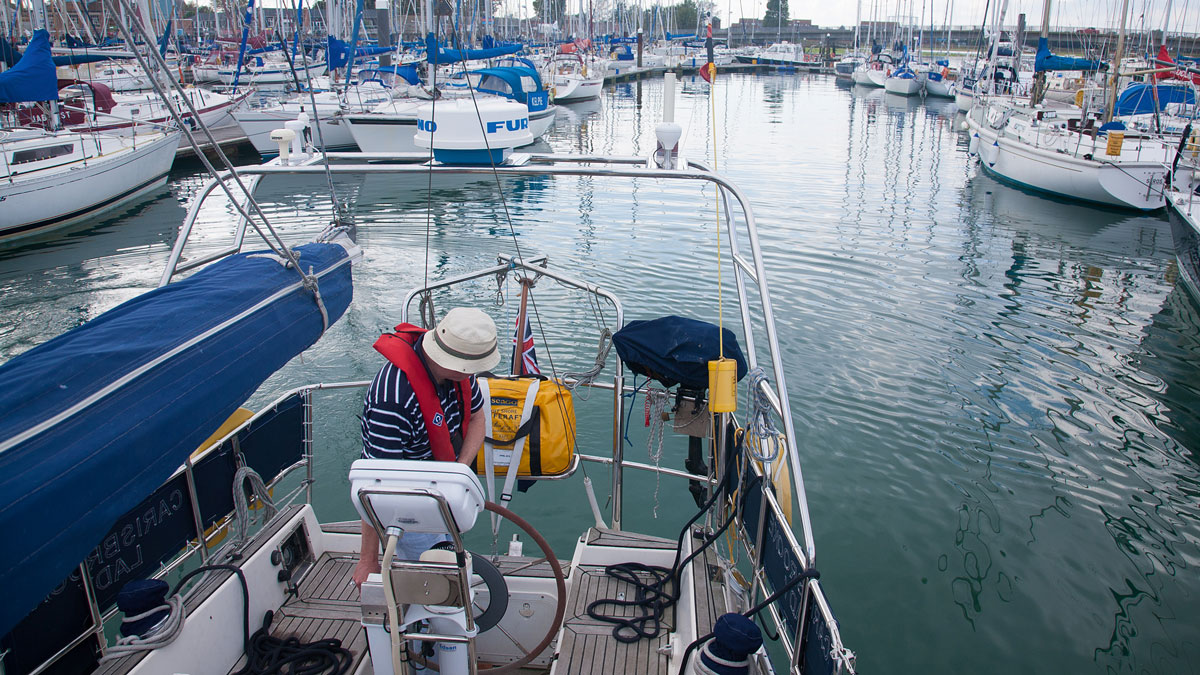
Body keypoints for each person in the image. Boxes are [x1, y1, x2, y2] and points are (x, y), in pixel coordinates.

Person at [352, 307, 500, 588]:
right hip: (405, 507)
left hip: (442, 494)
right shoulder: (392, 400)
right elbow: (374, 487)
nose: (476, 373)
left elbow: (479, 417)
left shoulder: (459, 372)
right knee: (429, 587)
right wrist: (367, 559)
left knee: (446, 571)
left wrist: (457, 472)